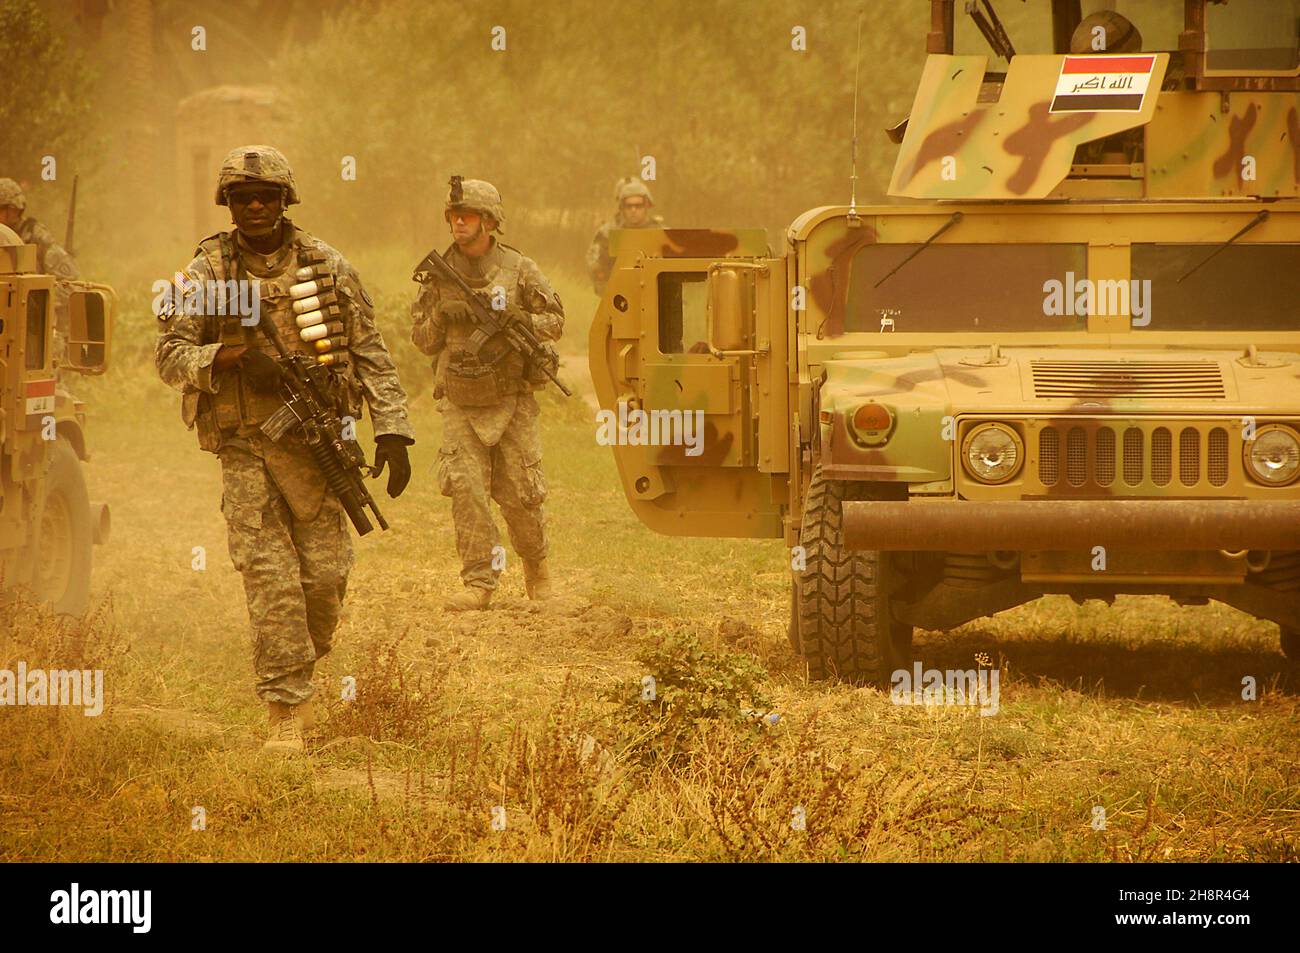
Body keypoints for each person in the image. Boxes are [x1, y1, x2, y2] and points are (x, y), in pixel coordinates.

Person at [156, 145, 414, 754]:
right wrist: (232, 356)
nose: (253, 206)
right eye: (241, 197)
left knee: (323, 581)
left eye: (265, 196)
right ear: (227, 204)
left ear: (284, 201)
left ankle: (302, 656)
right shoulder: (207, 274)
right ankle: (285, 713)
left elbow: (370, 349)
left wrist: (393, 429)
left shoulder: (325, 264)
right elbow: (169, 354)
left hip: (317, 444)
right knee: (271, 577)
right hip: (246, 444)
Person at [410, 176, 564, 611]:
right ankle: (479, 582)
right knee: (466, 490)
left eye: (468, 216)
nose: (459, 223)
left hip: (511, 397)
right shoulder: (438, 274)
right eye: (454, 216)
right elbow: (421, 340)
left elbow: (555, 320)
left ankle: (538, 571)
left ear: (490, 222)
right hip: (459, 398)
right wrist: (441, 316)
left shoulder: (520, 269)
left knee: (521, 493)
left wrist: (522, 319)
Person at [0, 177, 80, 354]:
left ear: (12, 210)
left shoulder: (37, 238)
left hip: (38, 329)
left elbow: (69, 283)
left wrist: (40, 299)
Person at [585, 177, 663, 295]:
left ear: (646, 206)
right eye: (629, 206)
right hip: (619, 297)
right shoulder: (608, 234)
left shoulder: (660, 232)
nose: (633, 210)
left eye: (638, 206)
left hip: (657, 296)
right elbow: (596, 264)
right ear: (622, 207)